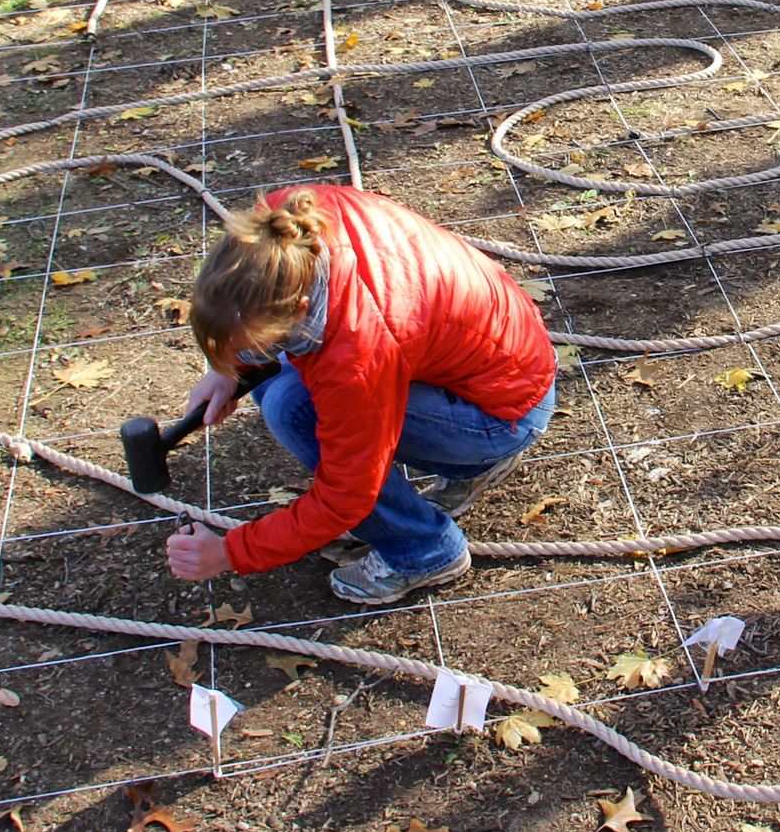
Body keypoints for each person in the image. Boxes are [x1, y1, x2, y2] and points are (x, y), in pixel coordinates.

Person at [162, 184, 556, 604]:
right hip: (496, 363)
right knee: (283, 386)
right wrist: (230, 369)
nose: (248, 353)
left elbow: (345, 496)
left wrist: (229, 552)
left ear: (296, 309)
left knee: (293, 409)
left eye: (252, 343)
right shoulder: (284, 223)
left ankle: (424, 551)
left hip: (504, 412)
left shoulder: (357, 354)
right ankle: (467, 469)